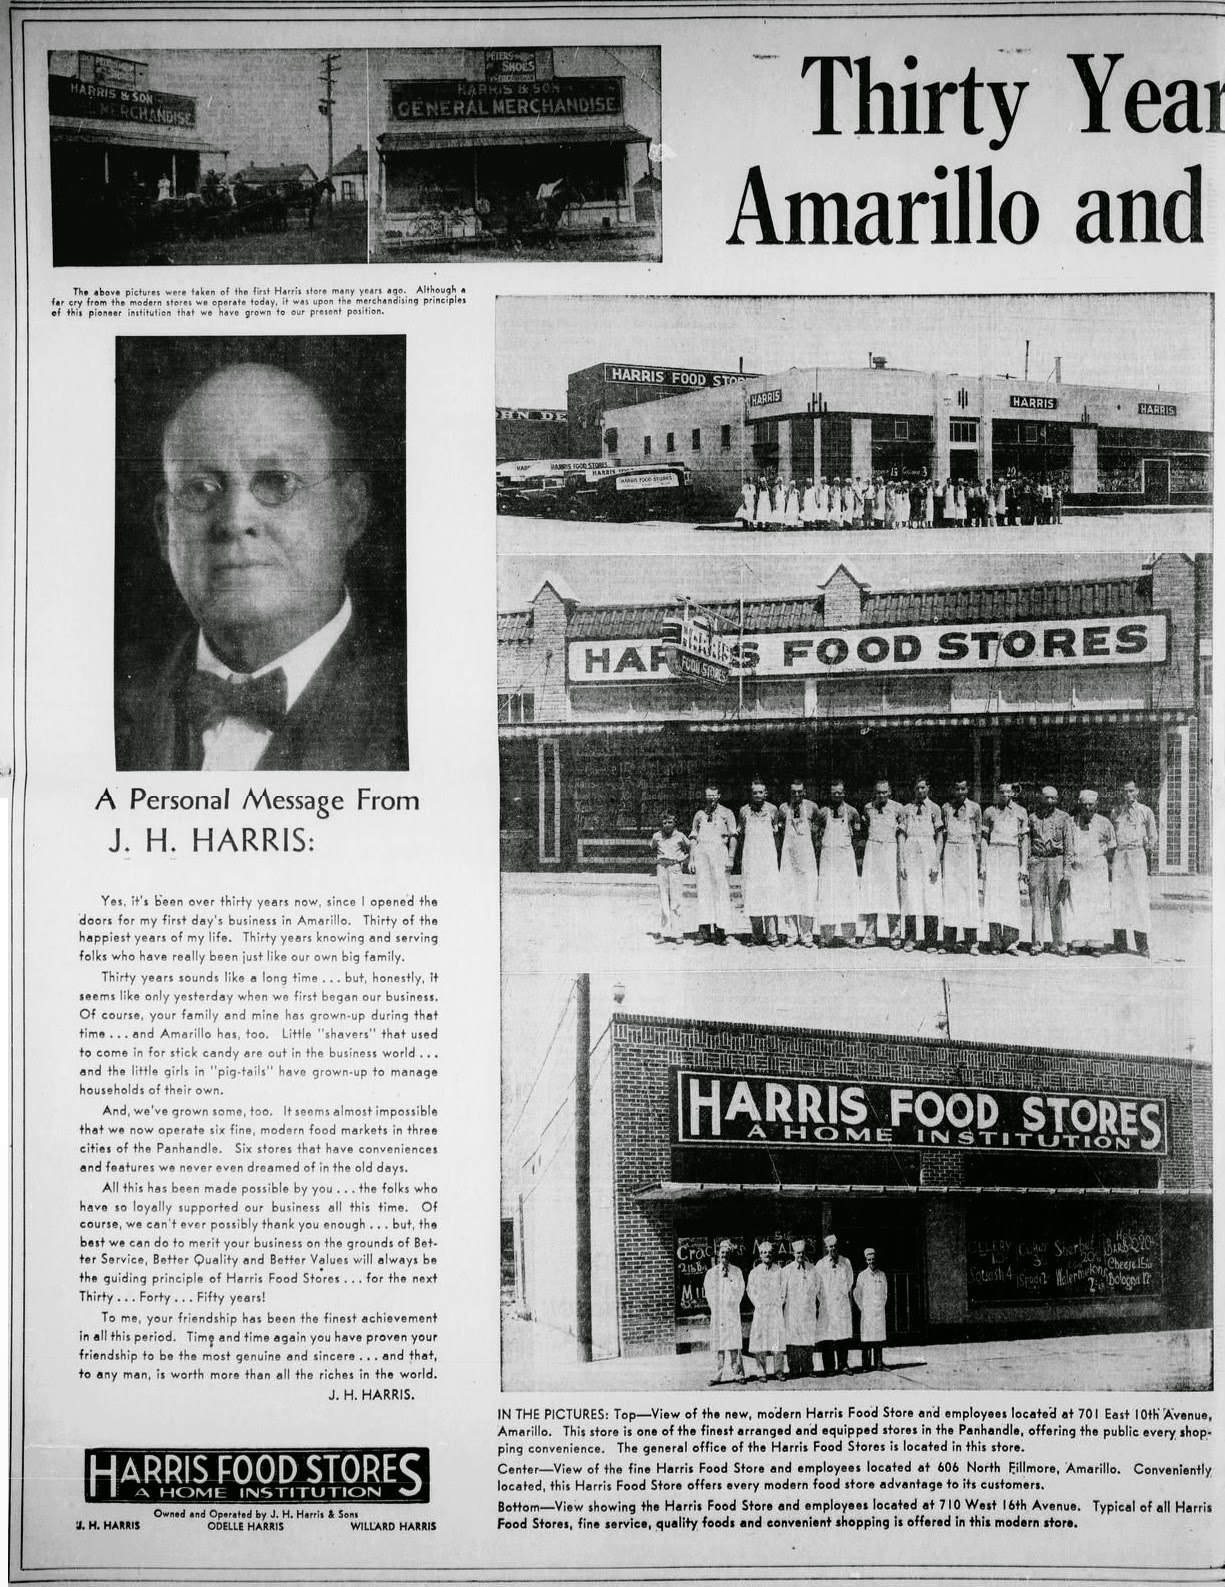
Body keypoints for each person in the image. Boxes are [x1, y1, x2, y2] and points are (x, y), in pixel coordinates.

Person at [117, 361, 407, 772]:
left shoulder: (419, 713)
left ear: (349, 512)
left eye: (276, 481)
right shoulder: (103, 709)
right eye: (200, 488)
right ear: (165, 527)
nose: (235, 520)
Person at [1065, 790, 1116, 956]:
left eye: (1091, 804)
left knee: (1096, 903)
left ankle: (1096, 943)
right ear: (1079, 804)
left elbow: (1112, 843)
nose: (1087, 807)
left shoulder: (1104, 822)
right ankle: (1077, 941)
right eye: (1084, 804)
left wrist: (1101, 855)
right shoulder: (1072, 822)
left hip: (1096, 868)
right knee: (1077, 903)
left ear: (1096, 805)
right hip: (1078, 867)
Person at [980, 782, 1029, 955]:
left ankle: (1011, 943)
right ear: (997, 793)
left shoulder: (1021, 811)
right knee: (993, 898)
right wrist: (983, 863)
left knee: (1010, 899)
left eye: (1008, 792)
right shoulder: (989, 812)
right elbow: (984, 838)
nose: (1005, 795)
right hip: (994, 853)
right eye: (1002, 792)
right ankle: (995, 942)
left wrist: (1023, 865)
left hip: (1012, 854)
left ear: (1013, 793)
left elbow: (1024, 840)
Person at [1111, 780, 1158, 957]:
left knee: (1139, 898)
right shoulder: (1116, 812)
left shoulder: (1146, 811)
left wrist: (1148, 844)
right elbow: (1111, 836)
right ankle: (1120, 943)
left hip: (1137, 855)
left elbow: (1153, 836)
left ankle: (1142, 945)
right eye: (1125, 792)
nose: (1129, 795)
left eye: (1132, 791)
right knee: (1118, 897)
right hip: (1120, 854)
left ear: (1137, 791)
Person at [858, 780, 905, 949]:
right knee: (871, 893)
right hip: (873, 851)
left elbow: (901, 834)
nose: (881, 795)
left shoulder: (898, 808)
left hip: (890, 851)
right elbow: (864, 829)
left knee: (892, 893)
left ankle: (895, 936)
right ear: (874, 792)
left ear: (890, 792)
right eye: (879, 792)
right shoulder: (867, 808)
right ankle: (870, 935)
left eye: (885, 792)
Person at [1028, 785, 1073, 956]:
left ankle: (1060, 944)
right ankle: (1037, 943)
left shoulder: (1064, 817)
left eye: (1053, 798)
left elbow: (1069, 845)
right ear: (1040, 797)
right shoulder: (1032, 817)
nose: (1049, 801)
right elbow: (1026, 843)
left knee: (1057, 904)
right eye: (1046, 797)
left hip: (1056, 861)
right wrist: (1027, 864)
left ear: (1057, 799)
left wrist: (1067, 869)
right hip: (1037, 861)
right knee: (1037, 904)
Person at [738, 779, 783, 947]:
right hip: (751, 859)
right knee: (752, 895)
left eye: (760, 792)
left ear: (766, 793)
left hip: (768, 860)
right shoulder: (744, 811)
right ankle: (756, 935)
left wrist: (776, 858)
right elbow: (742, 835)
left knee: (770, 895)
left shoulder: (773, 810)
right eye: (754, 792)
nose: (757, 795)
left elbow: (776, 836)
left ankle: (772, 936)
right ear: (751, 794)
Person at [690, 786, 737, 945]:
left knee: (721, 892)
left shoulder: (727, 813)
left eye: (713, 796)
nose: (711, 799)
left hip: (719, 854)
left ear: (719, 795)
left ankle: (720, 931)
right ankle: (703, 932)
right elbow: (694, 837)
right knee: (704, 891)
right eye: (708, 796)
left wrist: (731, 858)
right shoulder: (700, 814)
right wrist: (691, 859)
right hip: (702, 855)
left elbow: (733, 837)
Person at [816, 781, 861, 945]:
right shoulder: (822, 813)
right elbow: (817, 836)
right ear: (830, 793)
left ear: (844, 793)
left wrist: (847, 851)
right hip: (828, 857)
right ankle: (826, 937)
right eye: (834, 792)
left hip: (845, 858)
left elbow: (857, 836)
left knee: (847, 896)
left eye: (839, 792)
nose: (837, 795)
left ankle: (849, 937)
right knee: (827, 896)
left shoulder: (852, 812)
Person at [901, 777, 943, 952]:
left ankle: (931, 940)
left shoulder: (934, 808)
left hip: (928, 852)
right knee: (911, 895)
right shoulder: (906, 809)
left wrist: (936, 861)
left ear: (928, 788)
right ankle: (910, 939)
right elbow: (901, 834)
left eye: (923, 788)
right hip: (911, 853)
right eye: (917, 788)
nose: (920, 791)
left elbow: (940, 836)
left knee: (930, 897)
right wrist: (901, 860)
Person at [939, 779, 981, 954]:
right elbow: (941, 834)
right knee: (951, 895)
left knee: (969, 896)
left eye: (963, 788)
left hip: (968, 851)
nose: (960, 792)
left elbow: (978, 835)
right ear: (952, 789)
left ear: (968, 789)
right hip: (951, 852)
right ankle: (949, 942)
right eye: (957, 789)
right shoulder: (945, 808)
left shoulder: (975, 808)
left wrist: (977, 859)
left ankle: (972, 942)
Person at [777, 780, 820, 947]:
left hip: (807, 857)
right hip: (788, 858)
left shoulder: (812, 807)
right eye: (793, 792)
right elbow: (780, 833)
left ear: (804, 791)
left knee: (807, 895)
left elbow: (817, 832)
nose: (796, 795)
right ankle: (791, 934)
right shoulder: (782, 808)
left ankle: (807, 935)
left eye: (799, 791)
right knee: (789, 895)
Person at [704, 1241, 746, 1385]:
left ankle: (737, 1373)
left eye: (727, 1253)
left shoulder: (737, 1271)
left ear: (730, 1255)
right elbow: (708, 1293)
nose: (724, 1255)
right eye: (722, 1252)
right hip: (718, 1313)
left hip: (732, 1312)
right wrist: (716, 1308)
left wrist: (732, 1303)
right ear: (718, 1254)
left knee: (734, 1344)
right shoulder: (711, 1273)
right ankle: (716, 1375)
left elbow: (740, 1290)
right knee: (719, 1345)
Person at [746, 1241, 787, 1381]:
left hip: (775, 1310)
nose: (767, 1254)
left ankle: (779, 1371)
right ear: (760, 1255)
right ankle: (761, 1372)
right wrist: (759, 1304)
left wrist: (778, 1303)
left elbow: (784, 1290)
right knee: (760, 1342)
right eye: (764, 1252)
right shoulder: (755, 1272)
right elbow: (750, 1290)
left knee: (777, 1341)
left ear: (773, 1254)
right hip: (761, 1311)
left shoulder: (779, 1271)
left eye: (769, 1252)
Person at [814, 1234, 855, 1376]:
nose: (833, 1249)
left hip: (841, 1304)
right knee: (827, 1337)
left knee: (842, 1335)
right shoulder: (821, 1264)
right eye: (830, 1246)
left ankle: (843, 1365)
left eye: (835, 1246)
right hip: (827, 1306)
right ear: (826, 1248)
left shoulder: (846, 1262)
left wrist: (841, 1295)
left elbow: (849, 1282)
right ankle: (829, 1367)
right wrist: (825, 1301)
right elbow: (817, 1285)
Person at [781, 1238, 819, 1378]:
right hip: (792, 1311)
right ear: (793, 1253)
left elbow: (817, 1287)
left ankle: (808, 1368)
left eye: (802, 1253)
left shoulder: (812, 1269)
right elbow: (782, 1292)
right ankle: (794, 1369)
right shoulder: (787, 1270)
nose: (800, 1256)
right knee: (793, 1341)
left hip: (808, 1310)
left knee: (807, 1340)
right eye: (797, 1253)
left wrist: (808, 1301)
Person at [650, 813, 689, 943]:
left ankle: (677, 933)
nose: (667, 825)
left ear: (675, 823)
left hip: (674, 868)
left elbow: (690, 848)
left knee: (676, 899)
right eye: (664, 822)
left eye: (670, 822)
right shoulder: (657, 836)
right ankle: (663, 932)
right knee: (663, 899)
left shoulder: (680, 836)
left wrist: (681, 859)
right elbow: (652, 847)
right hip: (662, 868)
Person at [853, 1248, 888, 1371]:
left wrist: (880, 1306)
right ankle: (866, 1365)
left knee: (878, 1338)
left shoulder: (882, 1275)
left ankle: (879, 1364)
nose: (871, 1262)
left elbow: (885, 1293)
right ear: (866, 1260)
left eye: (873, 1259)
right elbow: (856, 1293)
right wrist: (862, 1307)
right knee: (866, 1339)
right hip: (867, 1312)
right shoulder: (862, 1276)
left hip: (878, 1311)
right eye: (869, 1260)